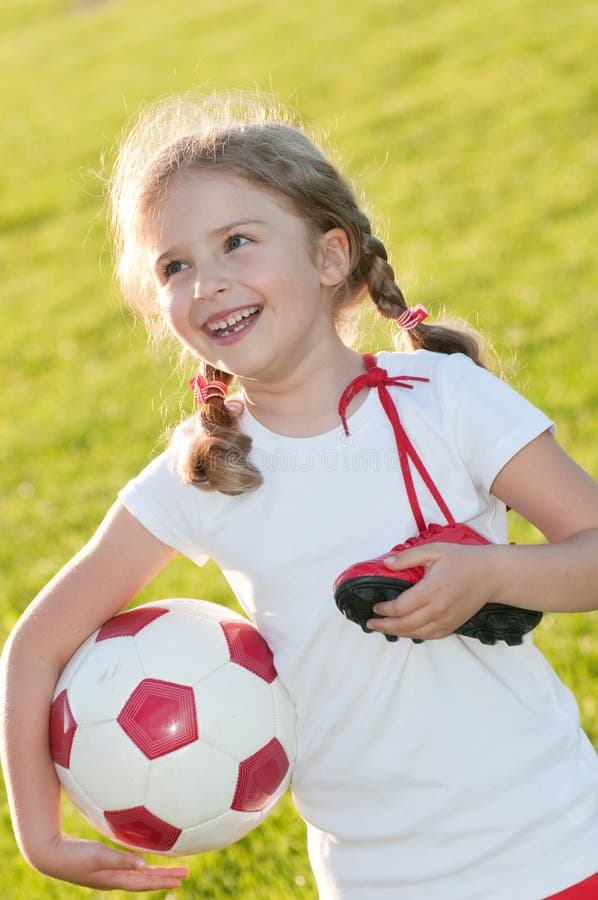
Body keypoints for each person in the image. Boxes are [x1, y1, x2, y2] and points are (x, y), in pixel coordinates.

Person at [2, 92, 598, 899]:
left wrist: (494, 577)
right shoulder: (206, 471)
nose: (206, 283)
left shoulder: (444, 401)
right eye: (174, 266)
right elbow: (35, 647)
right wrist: (40, 836)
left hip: (557, 843)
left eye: (237, 243)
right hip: (379, 880)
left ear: (329, 257)